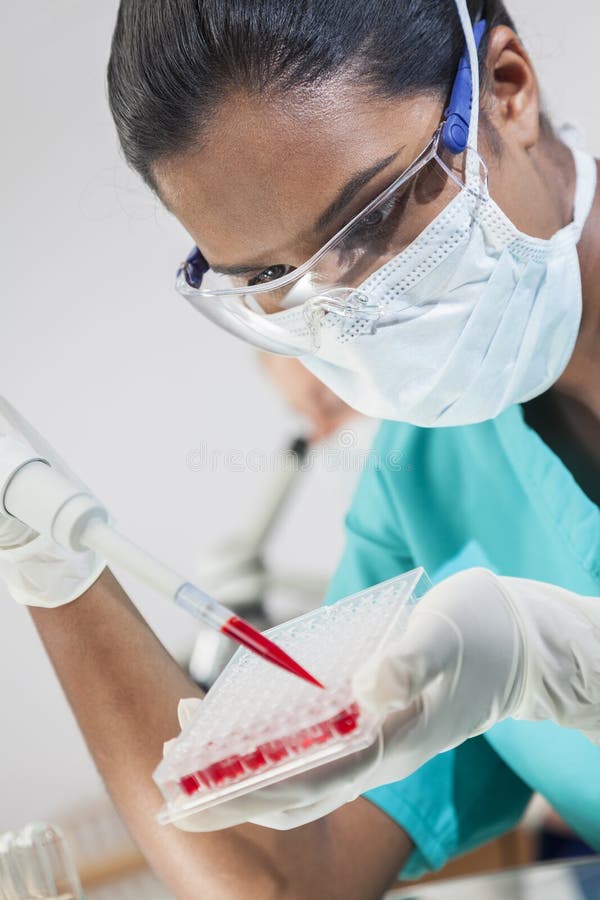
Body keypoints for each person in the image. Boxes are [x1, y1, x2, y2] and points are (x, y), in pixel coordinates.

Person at [2, 0, 599, 897]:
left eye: (369, 222)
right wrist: (41, 545)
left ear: (505, 92)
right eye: (271, 284)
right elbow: (290, 875)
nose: (352, 319)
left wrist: (552, 655)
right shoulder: (423, 481)